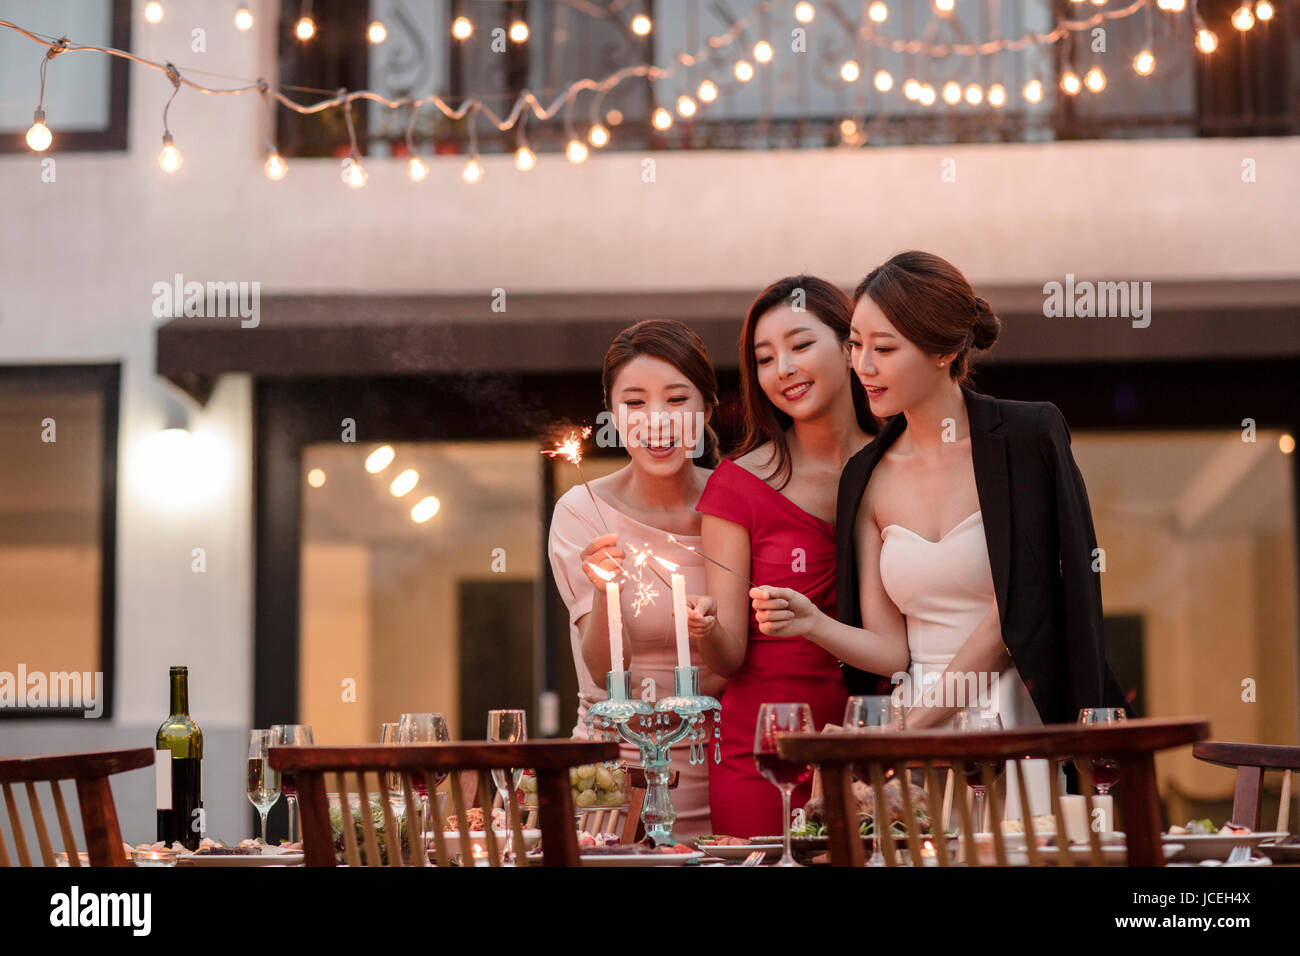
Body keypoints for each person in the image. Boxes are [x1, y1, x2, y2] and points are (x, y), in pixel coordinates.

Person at [750, 251, 1133, 818]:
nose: (863, 367)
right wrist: (814, 621)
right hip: (915, 731)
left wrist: (904, 730)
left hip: (1008, 719)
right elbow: (891, 650)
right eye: (855, 345)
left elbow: (1017, 613)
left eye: (883, 349)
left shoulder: (1026, 436)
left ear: (944, 350)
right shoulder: (866, 474)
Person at [687, 275, 882, 838]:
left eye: (800, 345)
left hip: (875, 742)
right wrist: (704, 629)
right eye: (765, 358)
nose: (783, 369)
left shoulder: (899, 462)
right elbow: (727, 657)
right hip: (764, 752)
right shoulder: (737, 484)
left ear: (851, 346)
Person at [547, 319, 724, 840]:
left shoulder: (734, 506)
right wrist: (605, 592)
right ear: (614, 417)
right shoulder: (582, 511)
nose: (658, 422)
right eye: (635, 403)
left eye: (676, 400)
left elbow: (738, 661)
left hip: (717, 769)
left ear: (707, 410)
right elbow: (602, 671)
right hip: (609, 779)